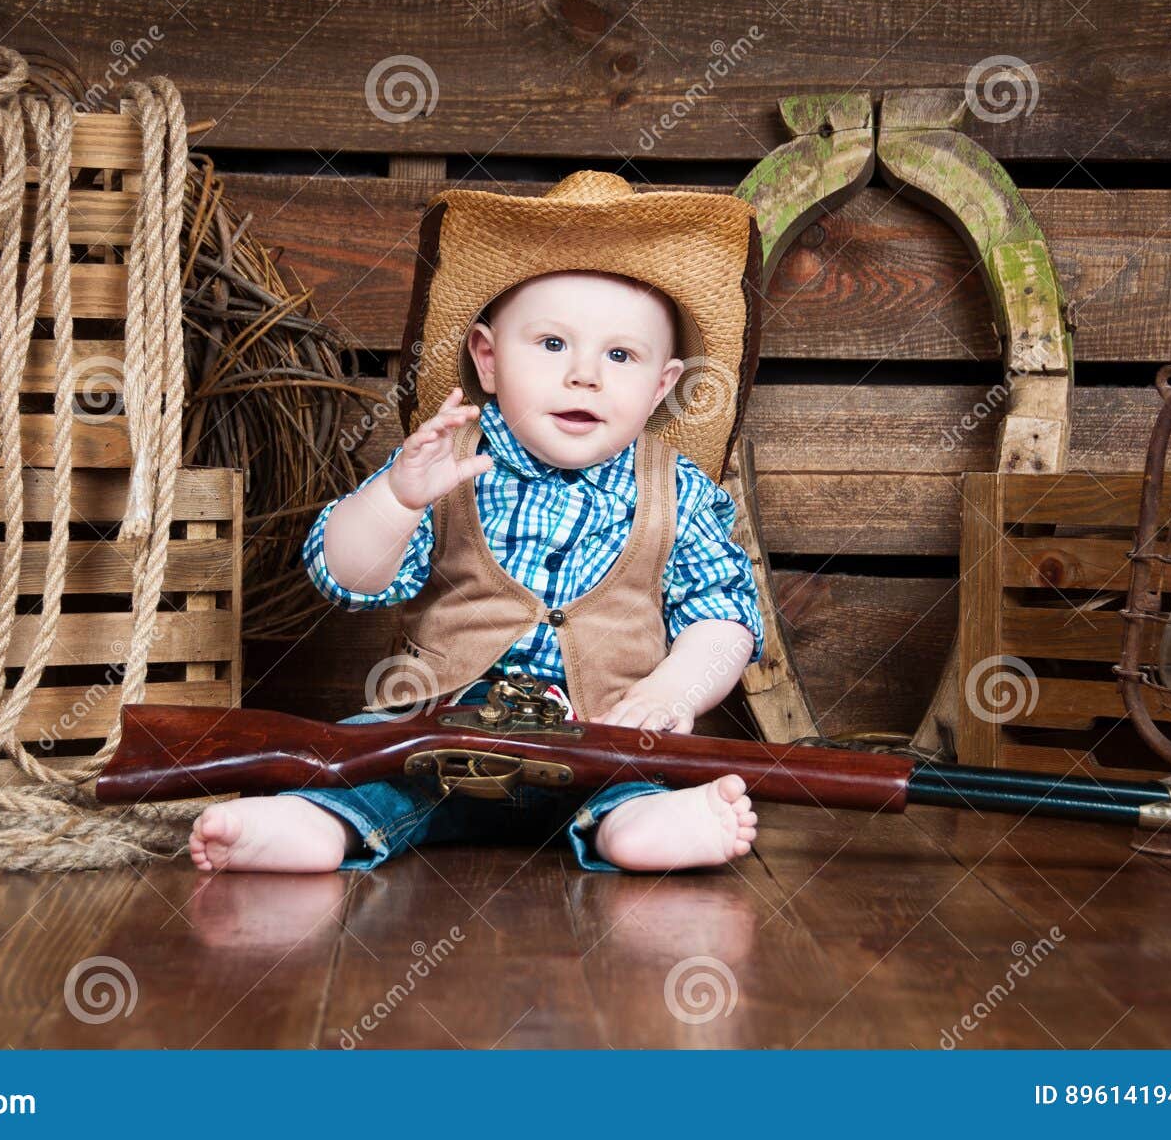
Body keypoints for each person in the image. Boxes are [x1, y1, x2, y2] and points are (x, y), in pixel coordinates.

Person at [190, 170, 767, 874]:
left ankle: (641, 824)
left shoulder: (679, 492)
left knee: (637, 774)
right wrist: (397, 500)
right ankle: (315, 822)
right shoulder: (446, 463)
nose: (585, 374)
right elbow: (344, 577)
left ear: (661, 386)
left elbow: (723, 614)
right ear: (488, 360)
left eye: (620, 355)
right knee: (362, 761)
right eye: (552, 344)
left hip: (601, 735)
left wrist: (671, 692)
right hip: (435, 728)